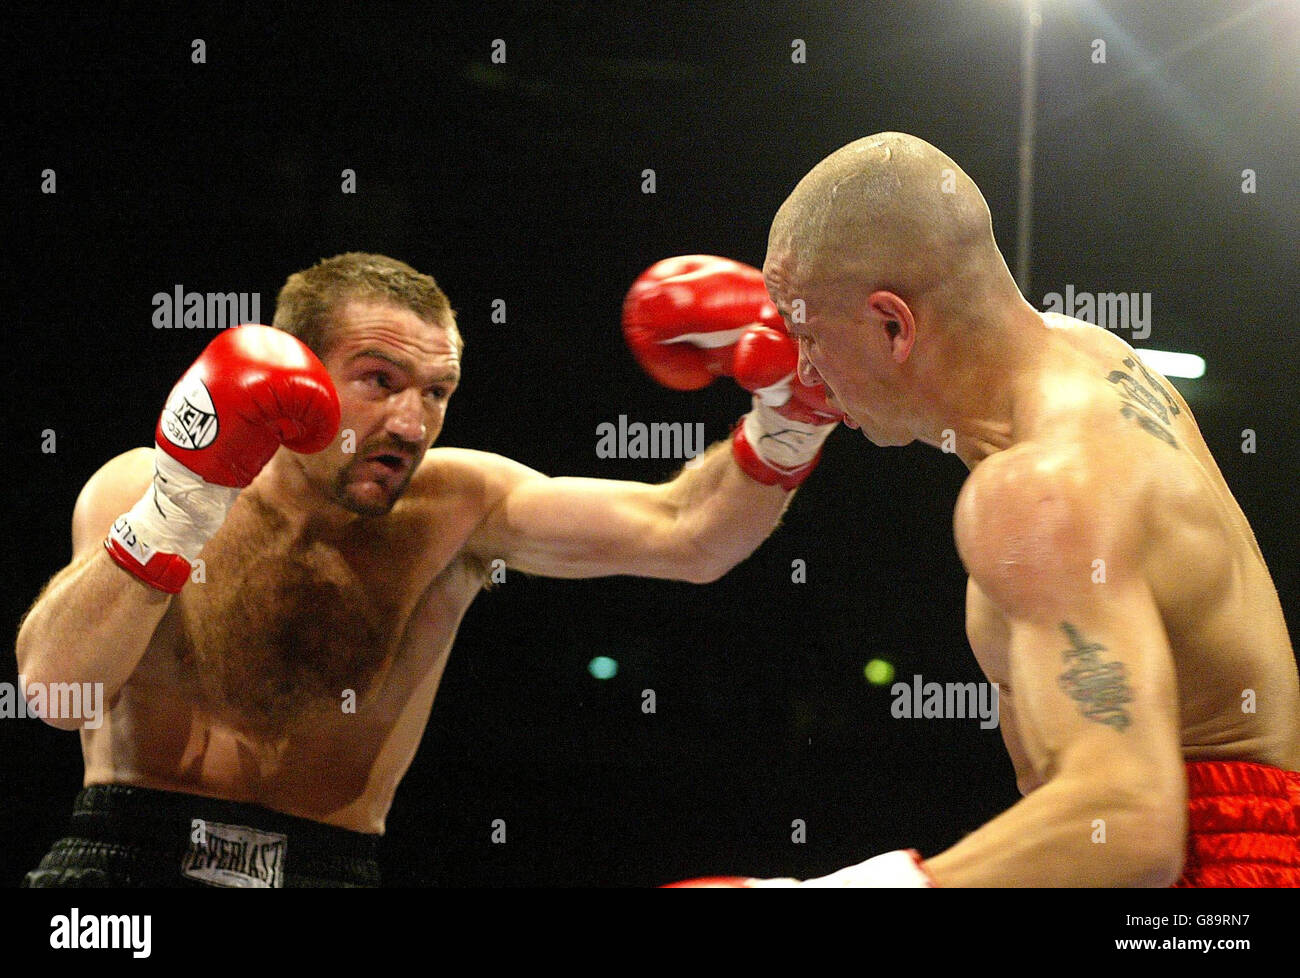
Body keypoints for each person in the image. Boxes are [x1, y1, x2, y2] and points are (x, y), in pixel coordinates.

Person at [15, 251, 838, 887]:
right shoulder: (144, 486)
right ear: (296, 366)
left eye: (437, 392)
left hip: (326, 871)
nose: (413, 422)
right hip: (120, 863)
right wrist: (177, 510)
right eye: (380, 380)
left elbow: (690, 535)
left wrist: (791, 419)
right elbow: (53, 694)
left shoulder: (459, 506)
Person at [750, 132, 1299, 887]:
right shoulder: (1095, 356)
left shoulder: (1036, 489)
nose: (803, 367)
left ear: (892, 325)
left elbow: (1132, 825)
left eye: (808, 333)